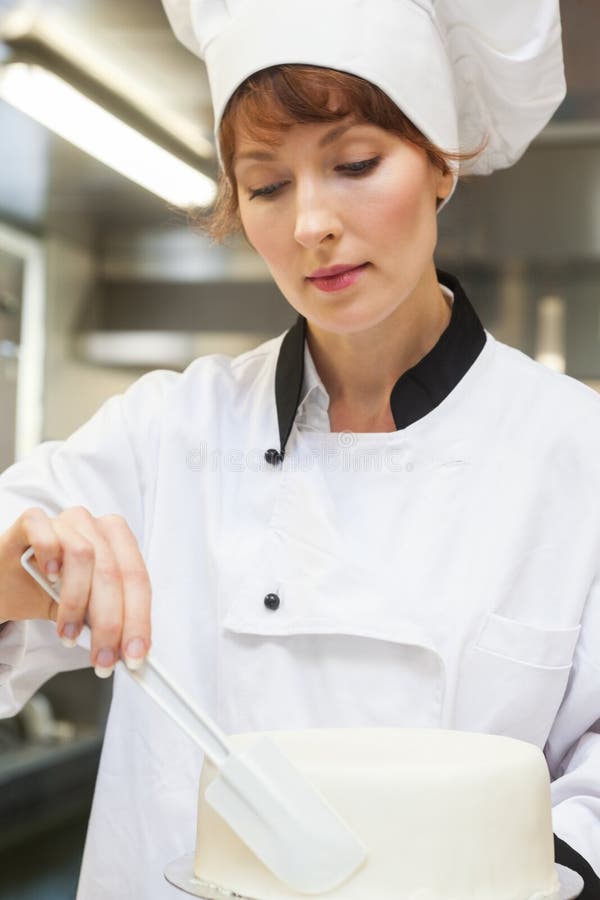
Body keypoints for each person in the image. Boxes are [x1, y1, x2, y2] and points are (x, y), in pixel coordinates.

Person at [1, 0, 599, 897]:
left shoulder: (575, 450)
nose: (310, 223)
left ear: (440, 161)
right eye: (267, 186)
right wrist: (20, 563)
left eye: (355, 164)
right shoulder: (168, 433)